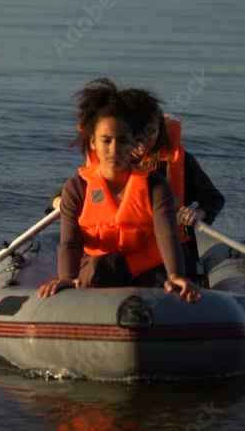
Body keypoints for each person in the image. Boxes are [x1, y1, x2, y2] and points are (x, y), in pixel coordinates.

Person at [37, 79, 201, 301]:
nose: (114, 149)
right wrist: (66, 277)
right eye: (106, 141)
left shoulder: (156, 185)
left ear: (133, 142)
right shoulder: (77, 186)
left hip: (148, 269)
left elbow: (166, 234)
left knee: (160, 287)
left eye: (123, 140)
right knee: (107, 266)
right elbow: (71, 242)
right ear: (93, 142)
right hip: (99, 268)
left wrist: (176, 274)